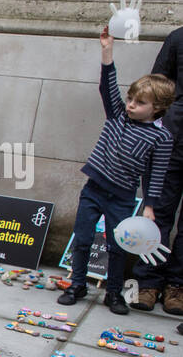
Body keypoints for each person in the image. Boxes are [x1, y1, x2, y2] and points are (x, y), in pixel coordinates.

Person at [58, 26, 174, 315]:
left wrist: (149, 206)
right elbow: (107, 86)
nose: (131, 105)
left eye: (140, 103)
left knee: (117, 247)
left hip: (122, 197)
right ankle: (78, 284)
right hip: (94, 189)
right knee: (83, 238)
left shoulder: (161, 138)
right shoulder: (118, 115)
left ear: (158, 107)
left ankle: (113, 293)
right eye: (131, 99)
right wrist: (107, 50)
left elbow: (157, 173)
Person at [130, 25, 183, 313]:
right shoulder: (178, 37)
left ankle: (178, 285)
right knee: (158, 212)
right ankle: (147, 282)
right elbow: (156, 87)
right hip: (170, 143)